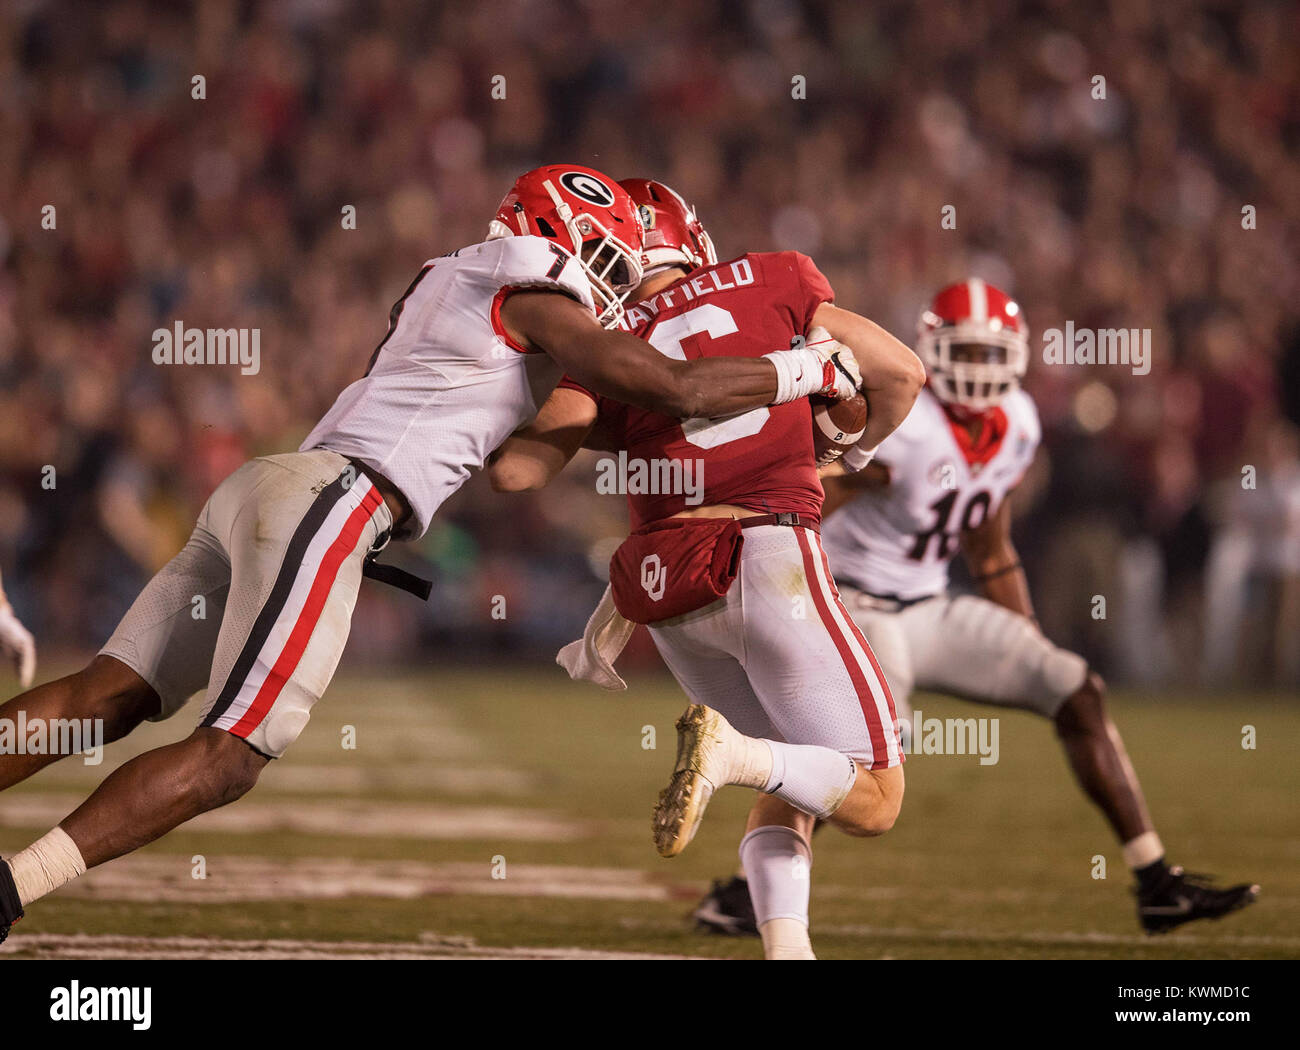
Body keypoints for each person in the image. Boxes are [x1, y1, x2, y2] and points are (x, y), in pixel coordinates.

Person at [0, 165, 862, 944]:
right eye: (604, 254)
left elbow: (514, 461)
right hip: (335, 499)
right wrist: (801, 371)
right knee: (229, 754)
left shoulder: (454, 275)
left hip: (276, 488)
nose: (614, 274)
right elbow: (661, 382)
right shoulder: (536, 277)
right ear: (562, 238)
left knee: (104, 695)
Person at [693, 279, 1259, 937]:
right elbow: (805, 503)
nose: (979, 369)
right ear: (932, 349)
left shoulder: (1017, 422)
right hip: (858, 608)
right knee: (866, 757)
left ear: (1015, 358)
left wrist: (1024, 643)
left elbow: (990, 550)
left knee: (1075, 689)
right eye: (966, 352)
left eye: (992, 355)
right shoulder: (905, 420)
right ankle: (743, 894)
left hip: (932, 605)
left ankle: (1157, 882)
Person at [490, 178, 925, 959]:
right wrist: (846, 454)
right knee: (875, 796)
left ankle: (787, 952)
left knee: (794, 778)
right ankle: (731, 753)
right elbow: (901, 373)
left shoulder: (607, 342)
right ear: (692, 239)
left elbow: (528, 462)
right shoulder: (778, 276)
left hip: (670, 589)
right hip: (765, 553)